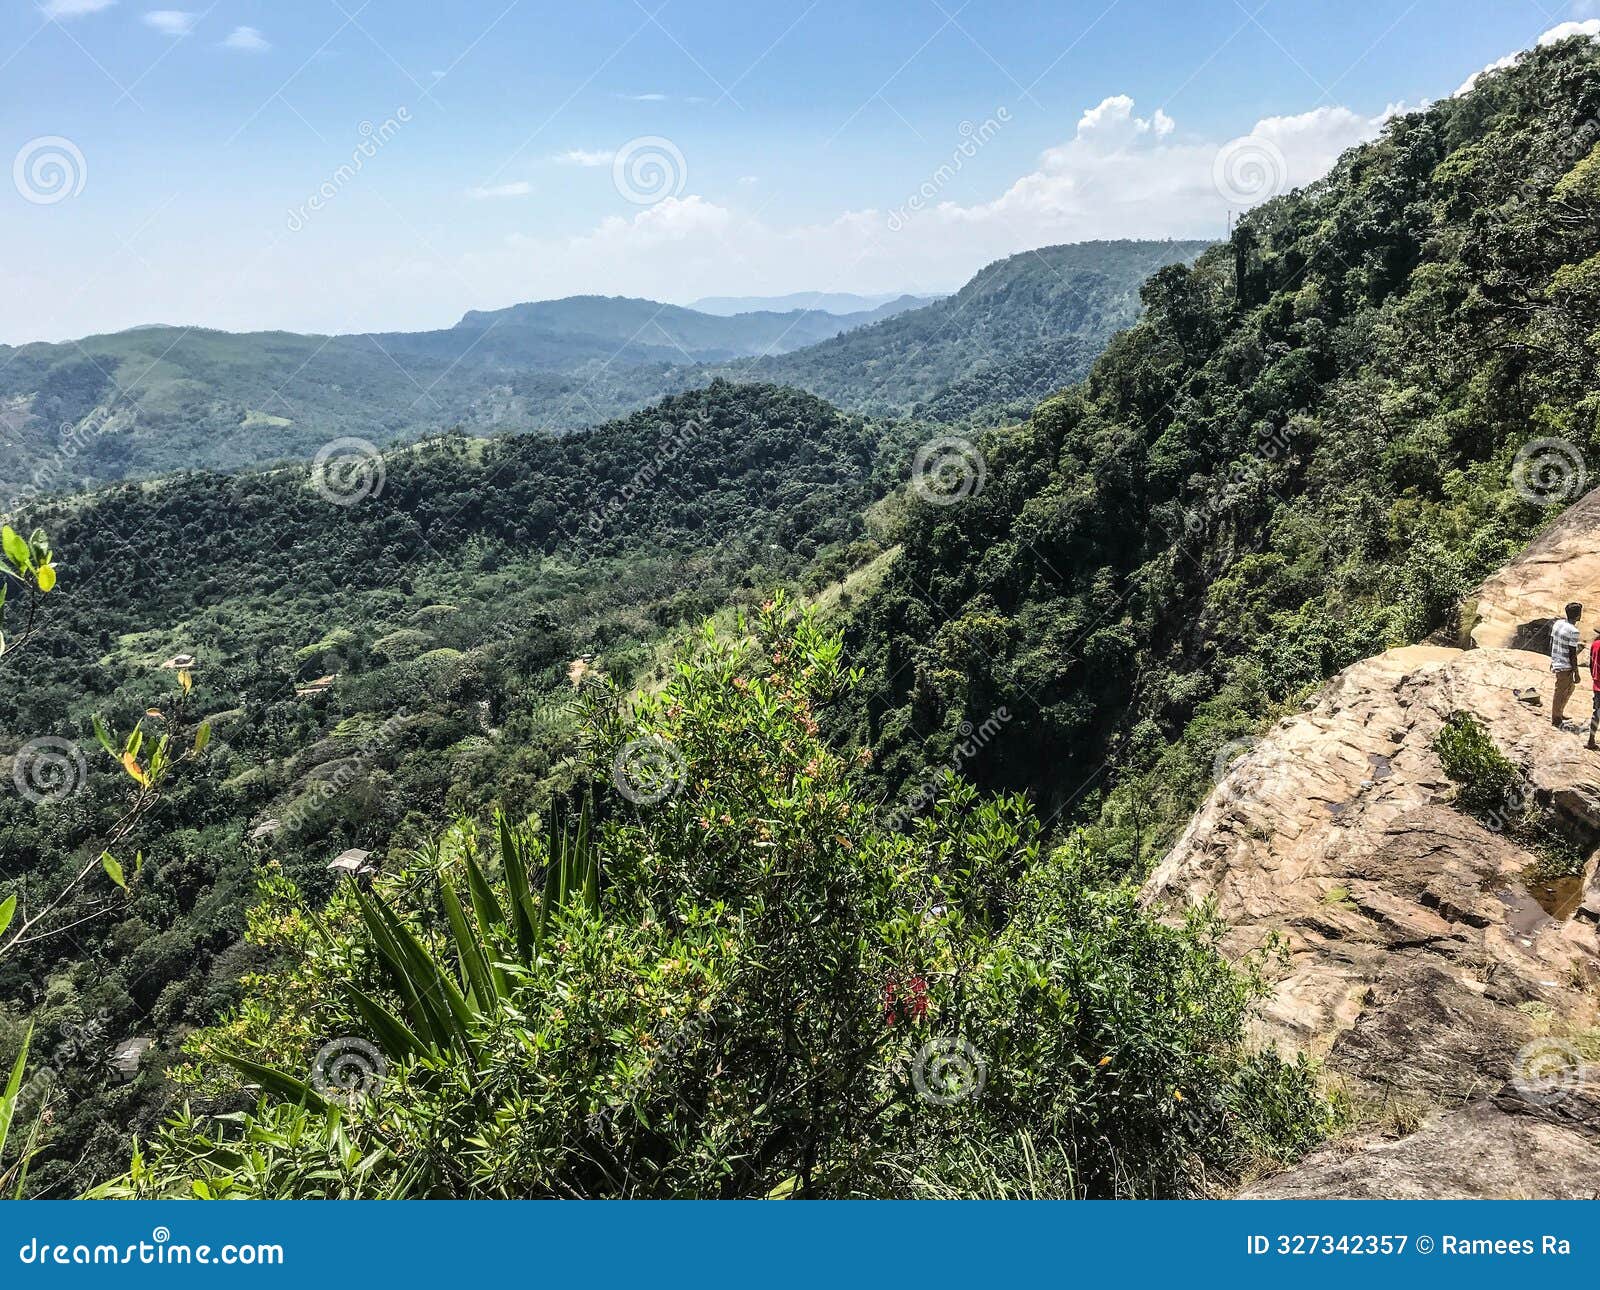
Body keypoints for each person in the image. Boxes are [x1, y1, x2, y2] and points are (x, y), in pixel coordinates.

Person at [1551, 601, 1583, 728]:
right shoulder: (1574, 631)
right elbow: (1572, 653)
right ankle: (1556, 719)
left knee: (1569, 688)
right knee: (1561, 691)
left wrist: (1552, 659)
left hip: (1557, 660)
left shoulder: (1558, 623)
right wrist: (1576, 672)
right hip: (1565, 665)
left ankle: (1559, 712)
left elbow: (1552, 640)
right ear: (1577, 616)